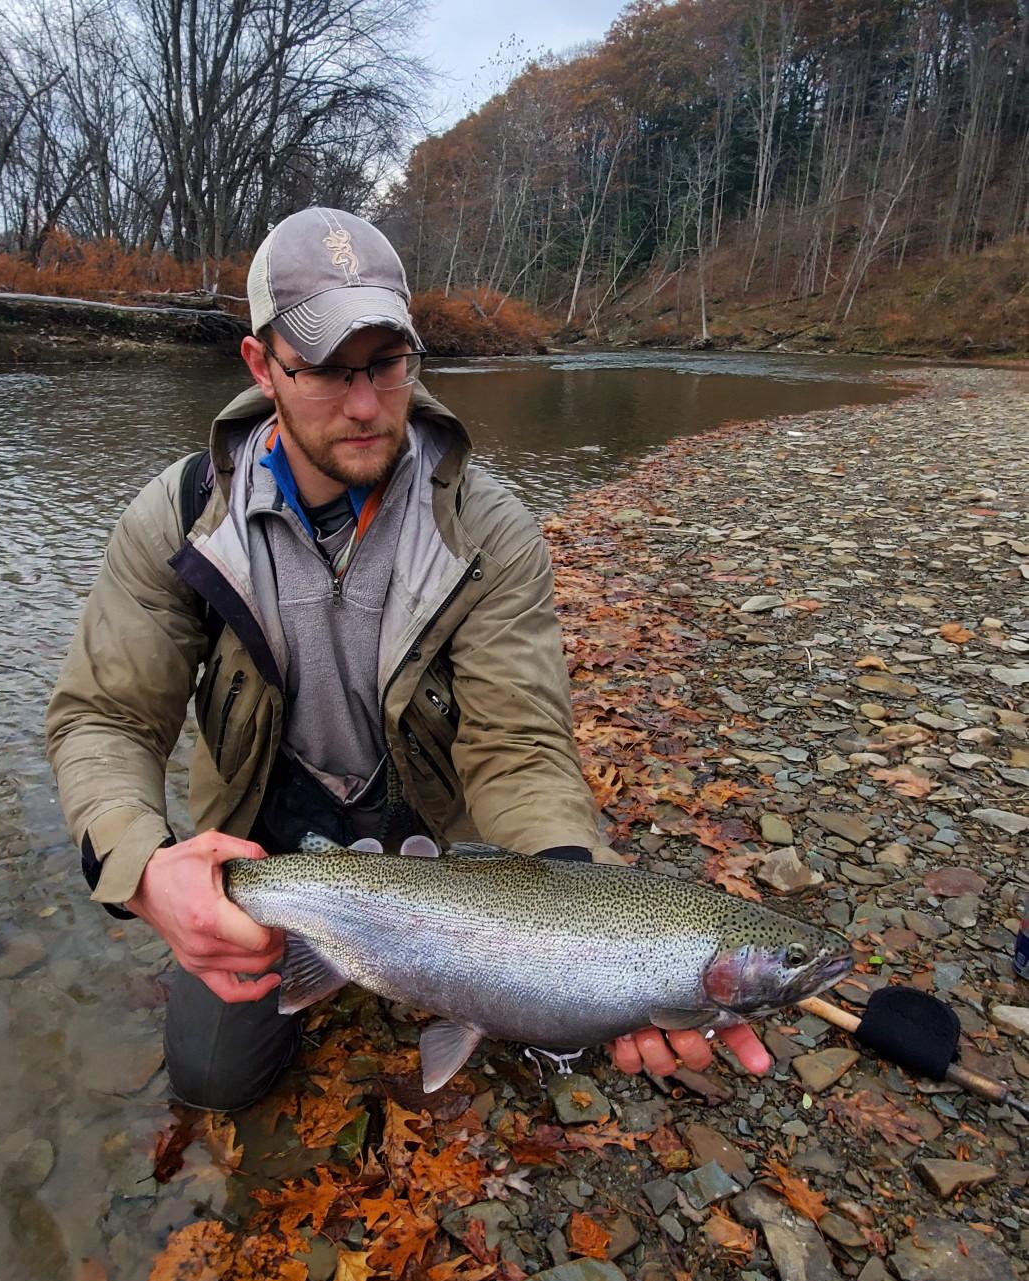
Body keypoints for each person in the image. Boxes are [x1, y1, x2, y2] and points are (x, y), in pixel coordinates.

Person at [46, 206, 769, 1110]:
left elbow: (520, 744)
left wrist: (584, 916)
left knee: (581, 1018)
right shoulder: (178, 520)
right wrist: (143, 867)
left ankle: (474, 983)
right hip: (268, 838)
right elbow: (105, 718)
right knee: (211, 1080)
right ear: (262, 365)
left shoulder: (489, 532)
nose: (364, 405)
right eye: (326, 372)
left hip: (435, 842)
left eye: (386, 366)